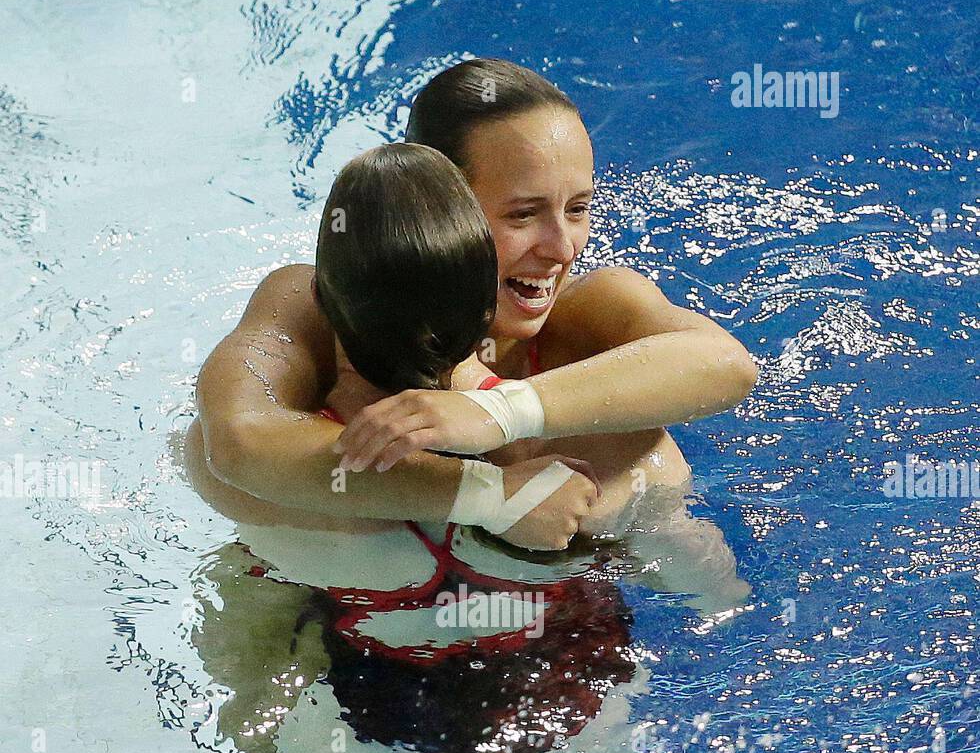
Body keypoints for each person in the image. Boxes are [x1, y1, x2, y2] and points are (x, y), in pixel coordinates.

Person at [193, 58, 757, 550]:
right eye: (523, 214)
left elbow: (725, 364)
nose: (562, 248)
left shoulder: (590, 312)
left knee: (650, 460)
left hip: (557, 604)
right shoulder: (314, 306)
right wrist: (487, 495)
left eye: (578, 209)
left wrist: (501, 412)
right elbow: (237, 441)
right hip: (345, 610)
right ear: (436, 209)